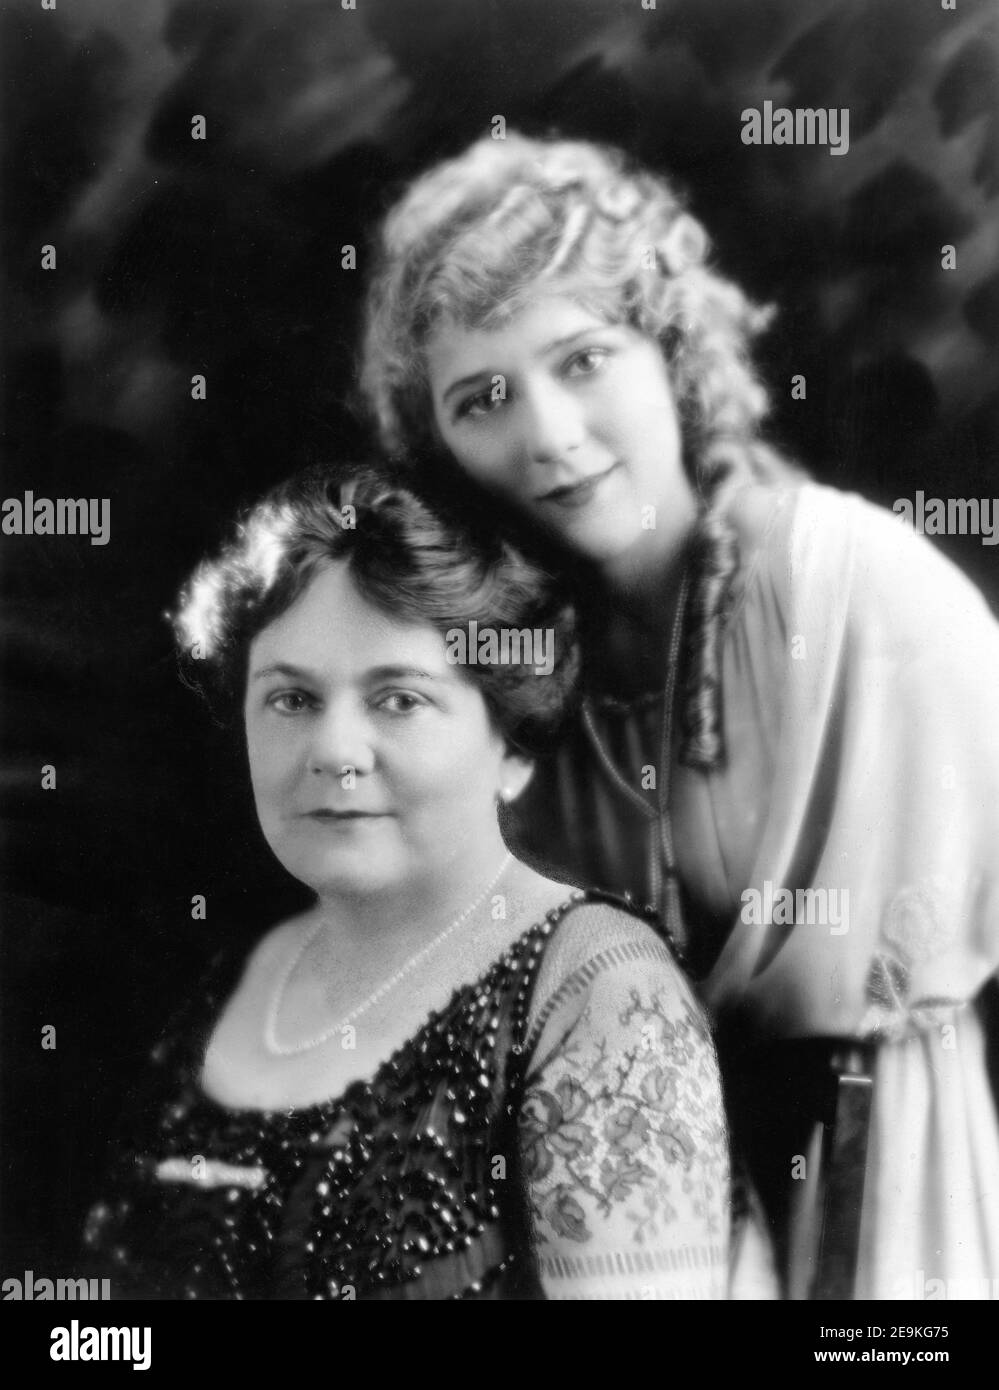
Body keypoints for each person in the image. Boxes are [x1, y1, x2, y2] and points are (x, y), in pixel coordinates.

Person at [358, 131, 999, 1300]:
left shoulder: (854, 590)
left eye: (585, 359)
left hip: (885, 1196)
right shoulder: (508, 674)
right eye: (483, 397)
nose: (549, 433)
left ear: (670, 354)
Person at [82, 463, 731, 1300]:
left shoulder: (598, 993)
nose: (335, 752)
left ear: (513, 743)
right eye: (290, 700)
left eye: (398, 699)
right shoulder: (234, 977)